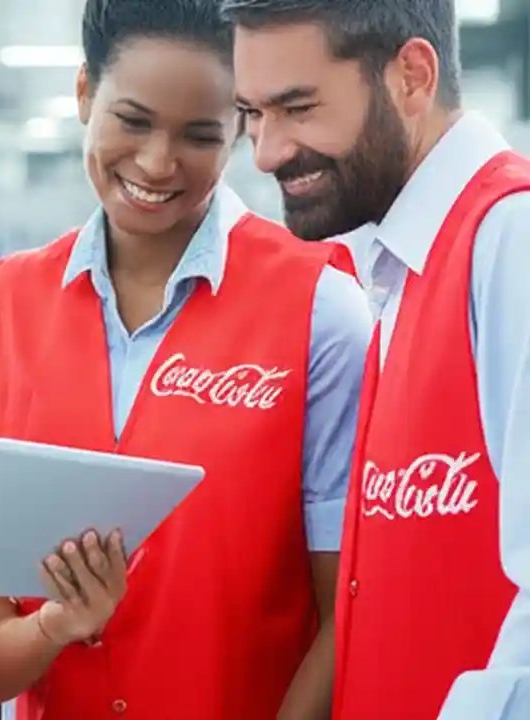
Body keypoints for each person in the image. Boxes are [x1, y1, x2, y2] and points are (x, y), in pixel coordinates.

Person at [0, 1, 374, 718]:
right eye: (133, 120)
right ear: (85, 94)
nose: (156, 163)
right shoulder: (1, 311)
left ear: (239, 127)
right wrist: (56, 623)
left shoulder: (321, 311)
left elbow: (346, 614)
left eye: (200, 135)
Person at [226, 1, 530, 718]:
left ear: (412, 77)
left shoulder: (507, 243)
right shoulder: (393, 271)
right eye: (250, 114)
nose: (266, 151)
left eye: (297, 108)